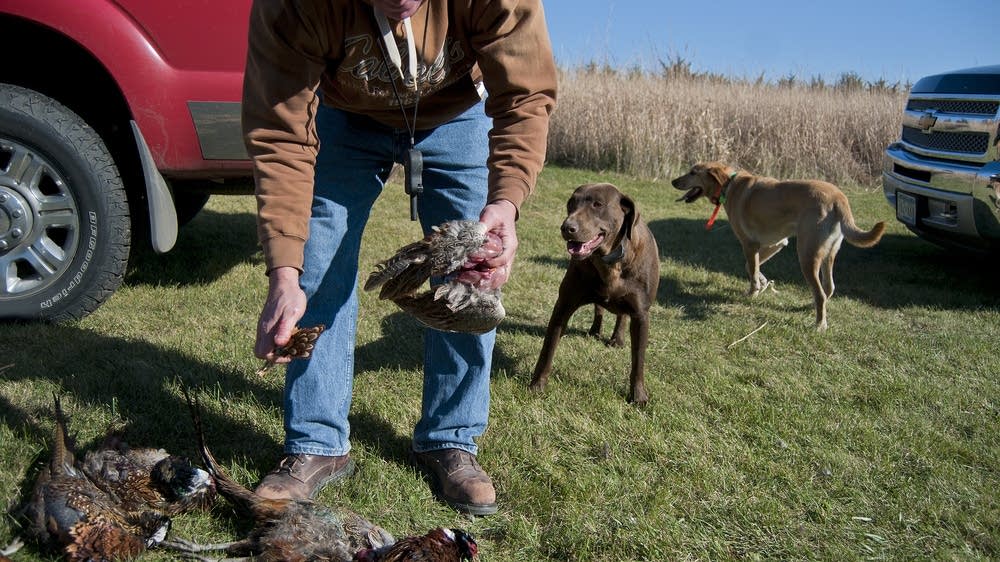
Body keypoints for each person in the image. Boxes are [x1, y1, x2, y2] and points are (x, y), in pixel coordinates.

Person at [242, 0, 557, 516]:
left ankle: (450, 437)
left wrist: (505, 201)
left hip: (457, 113)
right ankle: (317, 443)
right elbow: (280, 131)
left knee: (472, 276)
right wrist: (284, 271)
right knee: (317, 265)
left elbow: (526, 92)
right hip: (344, 115)